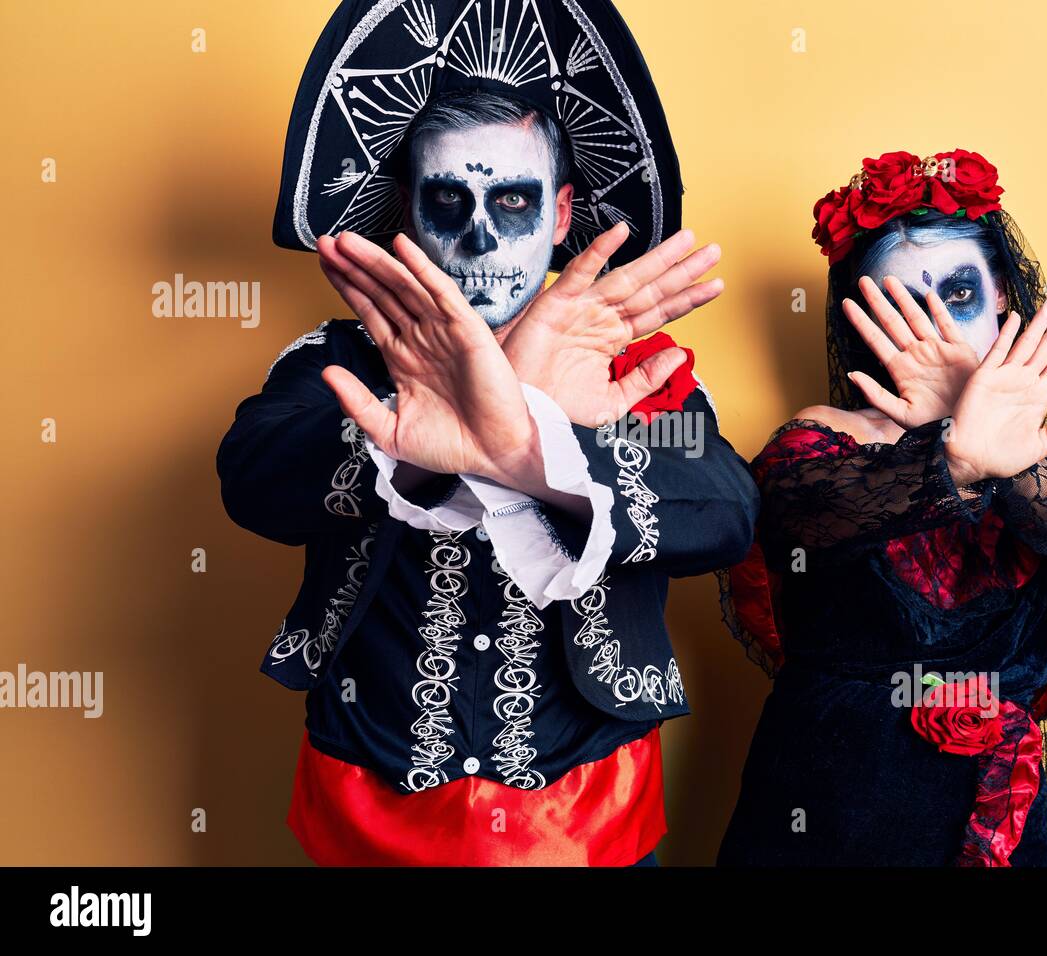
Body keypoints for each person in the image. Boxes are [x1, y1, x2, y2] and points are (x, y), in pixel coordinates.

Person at [216, 0, 758, 866]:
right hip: (371, 800)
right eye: (448, 199)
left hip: (587, 812)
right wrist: (406, 435)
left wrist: (534, 445)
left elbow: (726, 512)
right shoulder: (343, 355)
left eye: (512, 201)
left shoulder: (627, 362)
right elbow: (251, 478)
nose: (480, 235)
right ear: (408, 212)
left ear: (559, 213)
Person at [715, 149, 1047, 866]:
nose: (937, 333)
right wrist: (951, 457)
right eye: (901, 308)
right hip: (820, 808)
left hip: (990, 819)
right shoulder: (828, 437)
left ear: (1000, 298)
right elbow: (789, 522)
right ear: (861, 323)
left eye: (957, 296)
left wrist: (1002, 450)